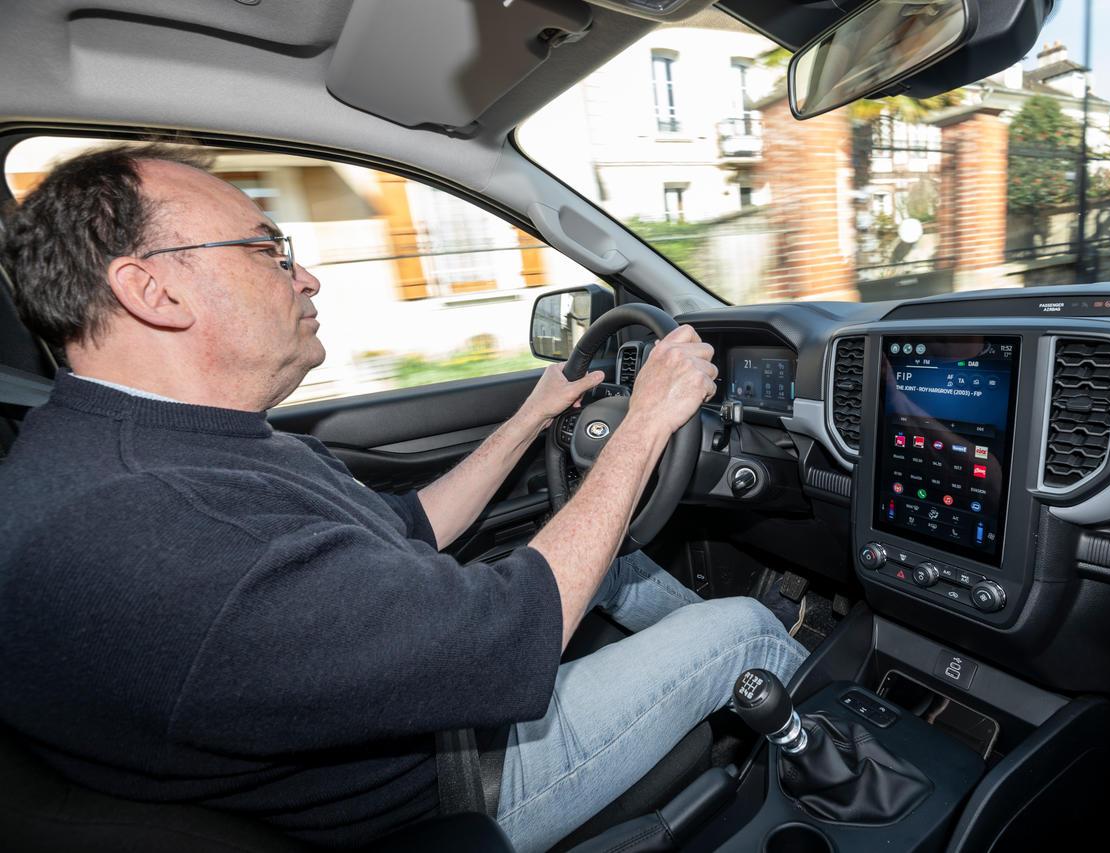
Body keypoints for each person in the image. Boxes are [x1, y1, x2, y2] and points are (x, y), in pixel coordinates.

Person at [0, 145, 807, 852]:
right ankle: (851, 754)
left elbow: (407, 527)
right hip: (452, 782)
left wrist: (531, 417)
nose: (305, 275)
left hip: (418, 713)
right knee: (736, 628)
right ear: (153, 291)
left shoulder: (166, 444)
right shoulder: (158, 530)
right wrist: (644, 428)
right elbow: (510, 639)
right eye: (268, 248)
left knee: (616, 565)